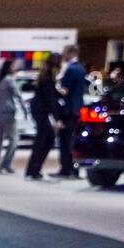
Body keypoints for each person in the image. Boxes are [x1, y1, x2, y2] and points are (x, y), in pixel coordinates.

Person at [24, 55, 64, 181]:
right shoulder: (48, 77)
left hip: (39, 110)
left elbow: (50, 94)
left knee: (44, 139)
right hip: (41, 111)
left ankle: (33, 170)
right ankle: (33, 170)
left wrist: (60, 93)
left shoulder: (46, 75)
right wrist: (57, 118)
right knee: (44, 139)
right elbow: (50, 99)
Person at [55, 44, 86, 178]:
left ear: (71, 53)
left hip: (69, 109)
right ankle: (74, 169)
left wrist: (55, 91)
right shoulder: (81, 68)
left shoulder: (71, 69)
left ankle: (65, 169)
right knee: (73, 140)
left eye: (65, 53)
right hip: (77, 109)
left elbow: (65, 90)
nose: (63, 55)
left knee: (65, 140)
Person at [0, 59, 21, 174]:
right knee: (14, 140)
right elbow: (18, 95)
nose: (15, 69)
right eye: (13, 67)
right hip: (8, 113)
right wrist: (25, 110)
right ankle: (5, 164)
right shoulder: (10, 80)